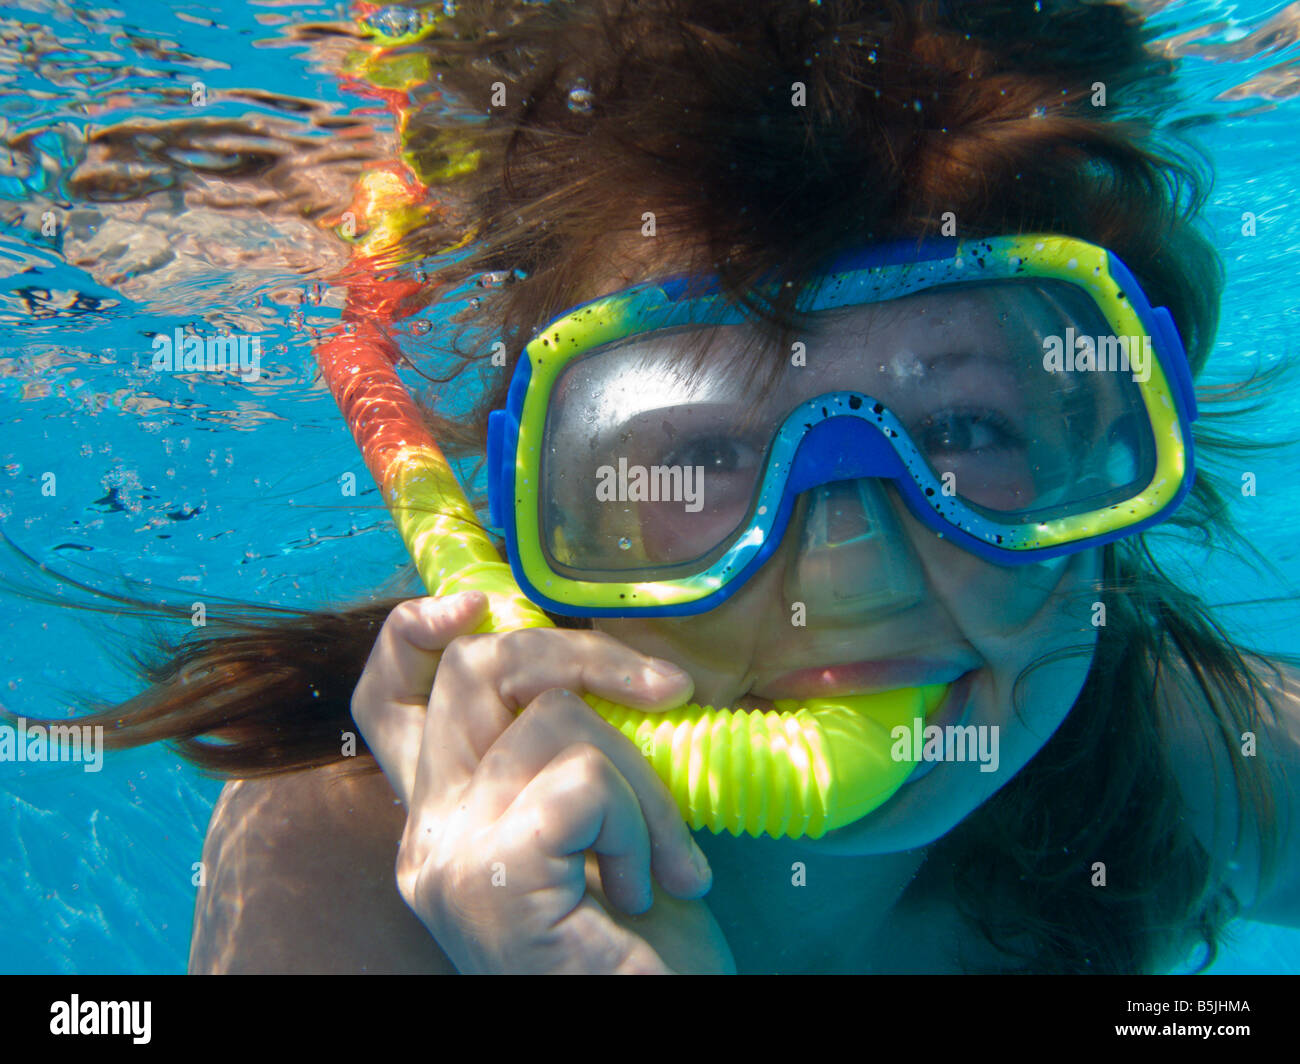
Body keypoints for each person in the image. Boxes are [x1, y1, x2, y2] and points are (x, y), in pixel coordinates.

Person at [33, 0, 1300, 974]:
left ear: (1104, 446)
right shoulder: (349, 860)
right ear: (542, 522)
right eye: (702, 453)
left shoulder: (1172, 747)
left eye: (964, 424)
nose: (852, 573)